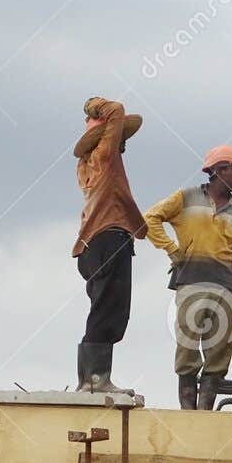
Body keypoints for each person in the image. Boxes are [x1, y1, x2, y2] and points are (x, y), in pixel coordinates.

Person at [143, 145, 232, 409]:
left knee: (220, 349)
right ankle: (188, 413)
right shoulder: (186, 198)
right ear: (218, 171)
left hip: (226, 286)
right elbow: (149, 219)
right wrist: (171, 249)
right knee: (187, 347)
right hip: (191, 281)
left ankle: (205, 411)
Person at [70, 97, 145, 392]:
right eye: (119, 136)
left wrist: (141, 229)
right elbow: (116, 110)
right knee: (109, 311)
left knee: (106, 309)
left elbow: (124, 204)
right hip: (108, 240)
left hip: (93, 246)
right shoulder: (105, 157)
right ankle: (95, 380)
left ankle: (93, 379)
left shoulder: (88, 167)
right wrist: (94, 106)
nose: (122, 142)